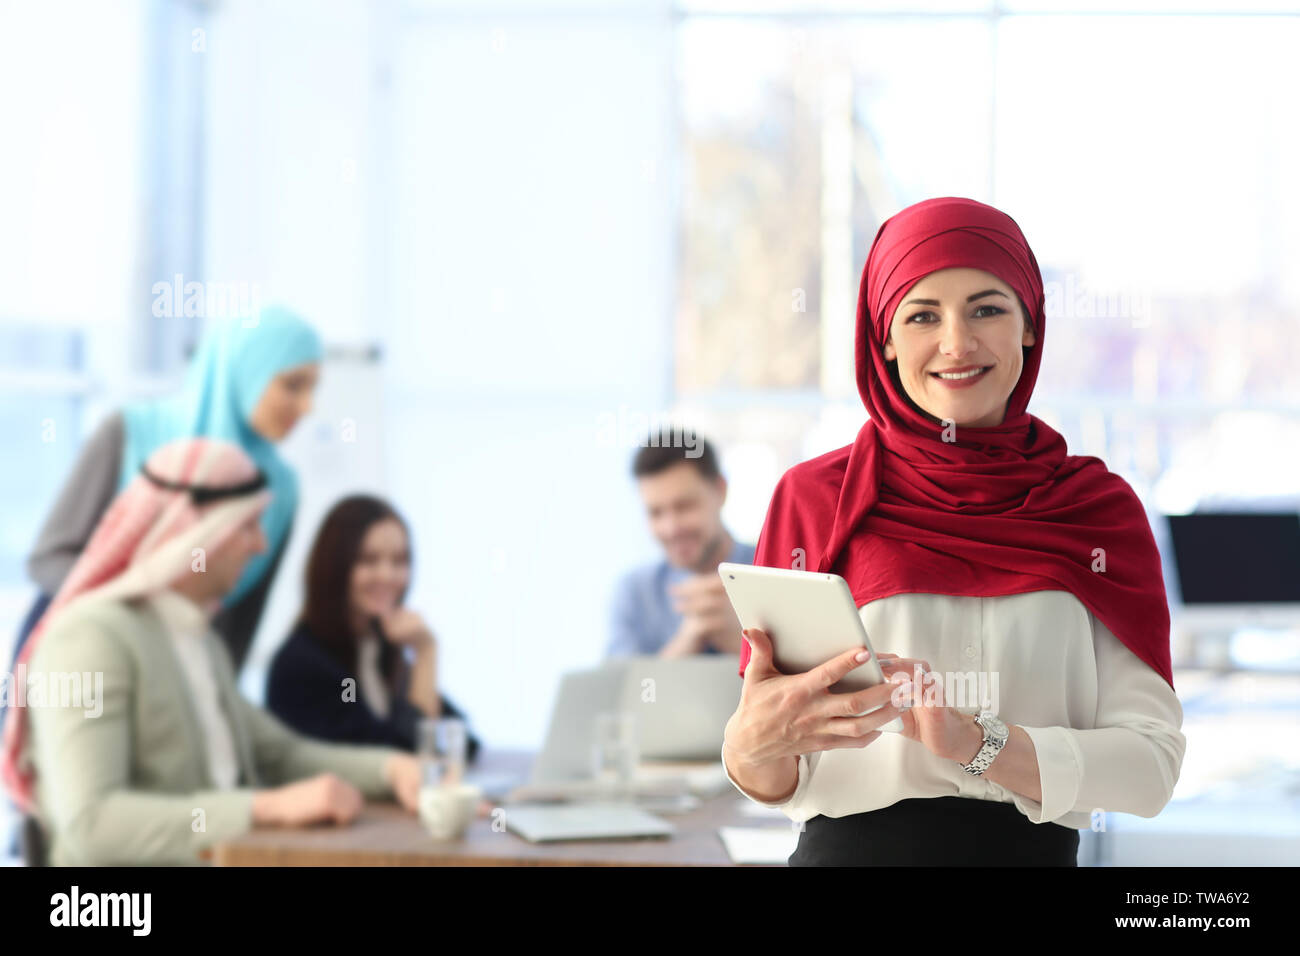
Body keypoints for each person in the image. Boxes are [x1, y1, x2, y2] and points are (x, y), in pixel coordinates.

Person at [721, 197, 1186, 866]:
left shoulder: (1096, 511)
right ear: (882, 338)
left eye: (987, 308)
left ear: (1030, 324)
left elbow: (1151, 768)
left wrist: (977, 744)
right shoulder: (815, 499)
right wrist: (745, 745)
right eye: (921, 316)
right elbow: (780, 769)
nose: (957, 343)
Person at [1, 438, 423, 866]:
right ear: (197, 536)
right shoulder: (90, 639)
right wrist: (266, 808)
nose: (260, 545)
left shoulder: (197, 637)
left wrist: (393, 769)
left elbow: (281, 754)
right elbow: (93, 824)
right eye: (248, 526)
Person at [12, 306, 322, 677]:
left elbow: (239, 625)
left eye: (312, 389)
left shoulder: (280, 490)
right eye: (292, 385)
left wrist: (220, 713)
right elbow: (49, 559)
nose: (306, 407)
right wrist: (144, 616)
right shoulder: (130, 433)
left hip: (175, 679)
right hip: (73, 658)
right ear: (245, 371)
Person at [266, 495, 481, 761]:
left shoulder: (379, 646)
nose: (387, 575)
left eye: (399, 561)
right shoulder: (306, 664)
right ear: (335, 566)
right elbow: (404, 756)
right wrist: (426, 653)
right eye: (369, 560)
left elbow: (461, 740)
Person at [605, 433, 754, 659]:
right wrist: (690, 638)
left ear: (720, 491)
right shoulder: (635, 592)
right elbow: (624, 692)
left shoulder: (776, 569)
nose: (671, 528)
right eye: (656, 512)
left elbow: (819, 680)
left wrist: (745, 643)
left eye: (684, 506)